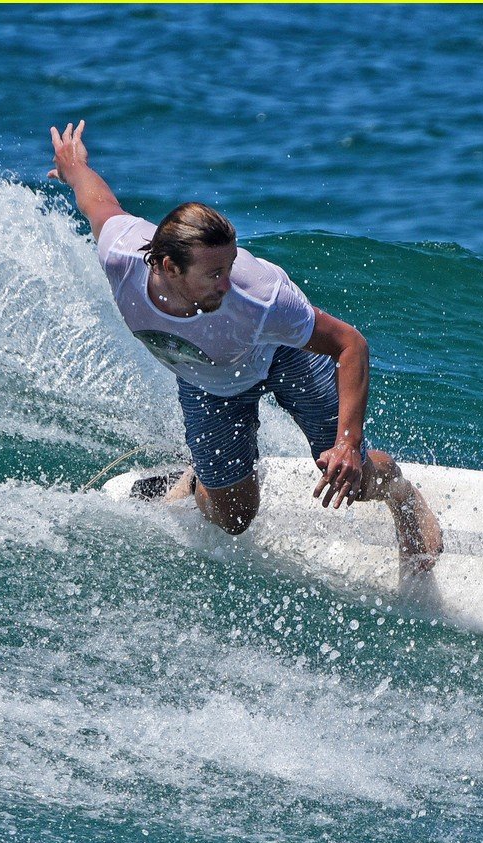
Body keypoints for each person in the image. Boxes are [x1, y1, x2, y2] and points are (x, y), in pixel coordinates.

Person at [48, 120, 443, 568]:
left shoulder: (260, 299)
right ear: (168, 267)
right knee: (233, 519)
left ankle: (402, 496)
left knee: (350, 478)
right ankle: (197, 478)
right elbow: (99, 202)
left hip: (285, 355)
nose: (227, 282)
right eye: (214, 273)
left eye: (231, 264)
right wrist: (75, 168)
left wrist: (349, 444)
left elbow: (350, 344)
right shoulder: (121, 257)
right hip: (209, 381)